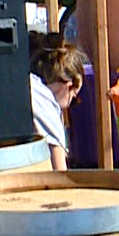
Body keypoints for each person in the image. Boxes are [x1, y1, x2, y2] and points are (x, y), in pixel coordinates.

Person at [27, 31, 85, 171]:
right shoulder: (46, 106)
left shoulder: (25, 85)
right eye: (74, 98)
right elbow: (60, 173)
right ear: (68, 86)